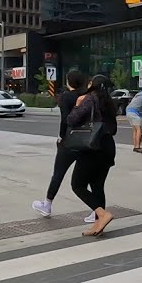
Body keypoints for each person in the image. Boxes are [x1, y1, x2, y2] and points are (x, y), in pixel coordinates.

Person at [33, 71, 92, 222]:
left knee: (58, 174)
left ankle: (47, 204)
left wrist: (61, 136)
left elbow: (65, 120)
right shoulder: (88, 96)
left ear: (69, 82)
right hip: (86, 140)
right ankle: (96, 208)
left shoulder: (66, 96)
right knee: (87, 177)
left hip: (69, 141)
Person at [70, 74, 120, 236]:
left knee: (77, 185)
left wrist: (77, 105)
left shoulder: (89, 99)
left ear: (94, 85)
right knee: (97, 185)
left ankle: (102, 214)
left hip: (92, 146)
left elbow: (72, 120)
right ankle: (99, 225)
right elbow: (113, 128)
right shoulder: (109, 103)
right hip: (107, 147)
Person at [128, 83, 142, 153]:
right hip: (134, 112)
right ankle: (137, 147)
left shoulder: (138, 94)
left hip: (128, 110)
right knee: (138, 129)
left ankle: (135, 146)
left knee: (135, 130)